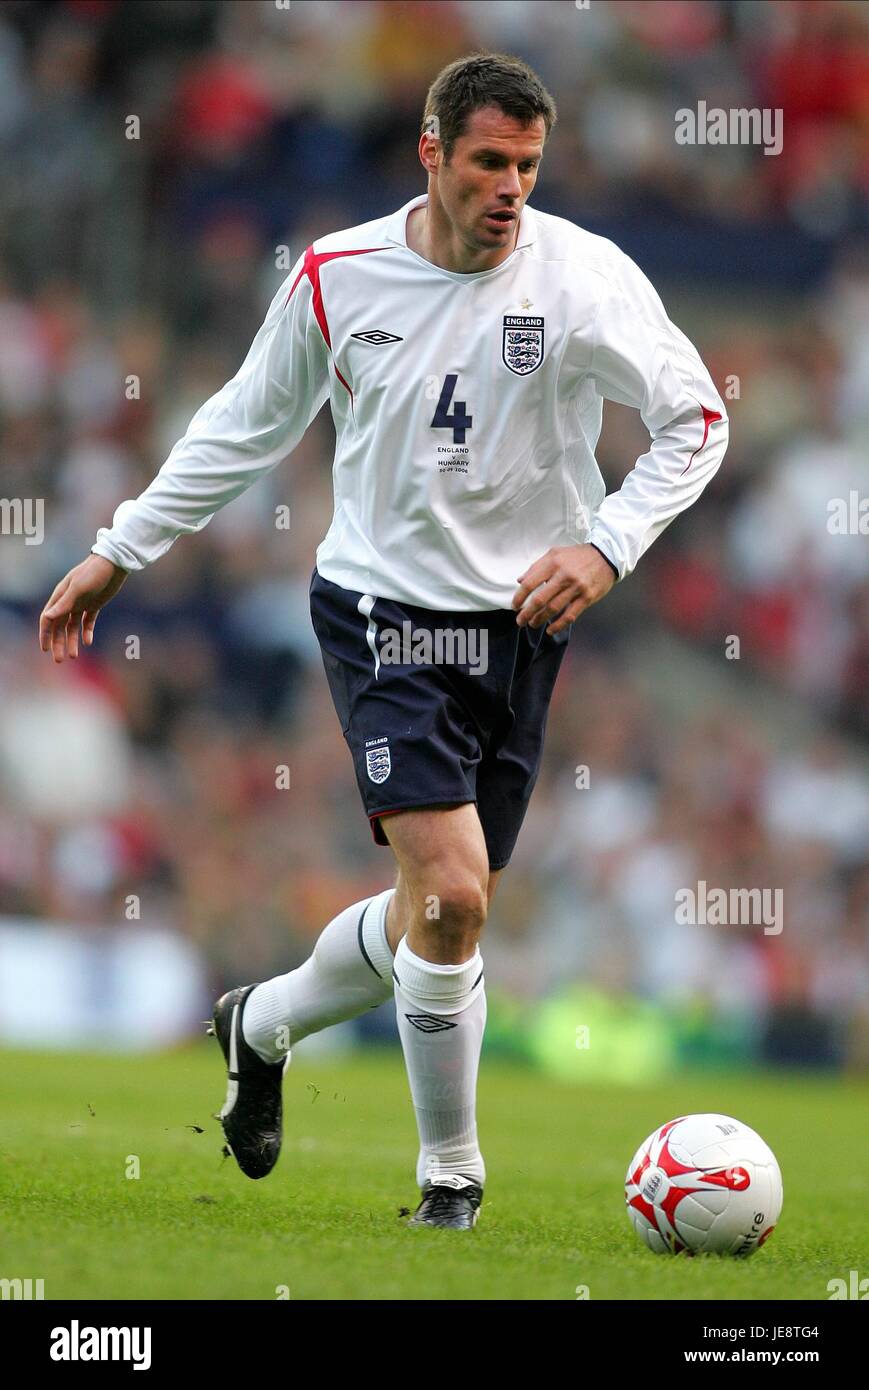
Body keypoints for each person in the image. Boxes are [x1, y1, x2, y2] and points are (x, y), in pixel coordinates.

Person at [38, 52, 728, 1229]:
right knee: (452, 898)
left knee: (434, 912)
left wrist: (606, 545)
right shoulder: (335, 277)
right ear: (431, 151)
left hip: (518, 625)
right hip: (383, 613)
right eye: (487, 162)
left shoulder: (583, 280)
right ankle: (449, 1179)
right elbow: (245, 424)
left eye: (526, 165)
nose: (510, 186)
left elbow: (694, 418)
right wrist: (121, 545)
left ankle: (257, 1024)